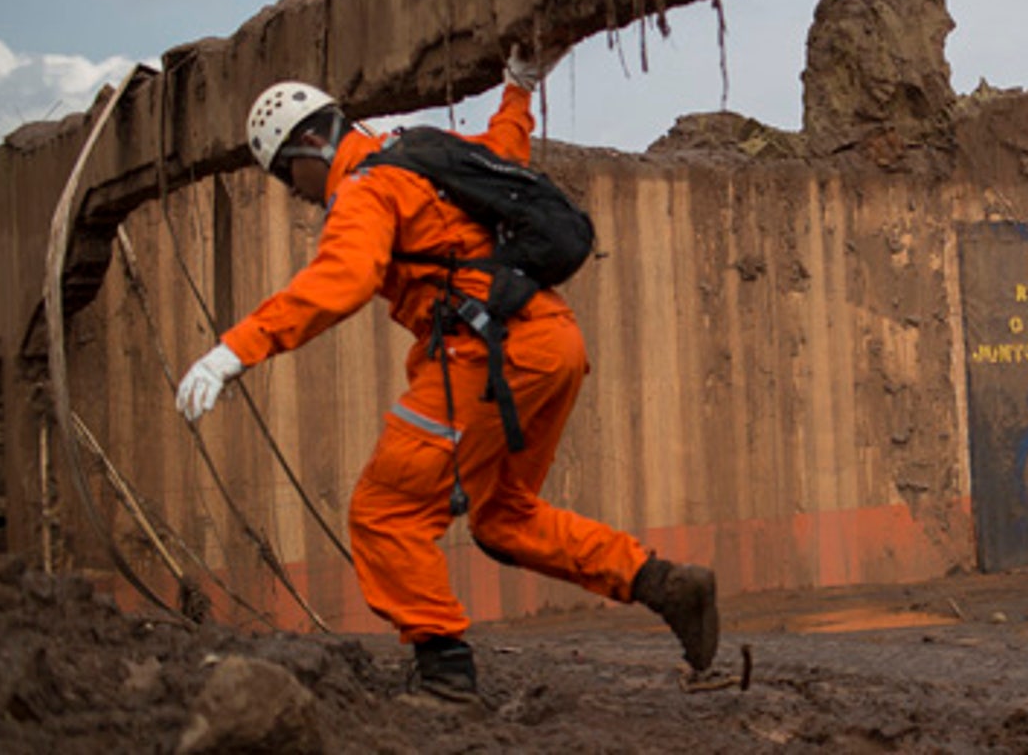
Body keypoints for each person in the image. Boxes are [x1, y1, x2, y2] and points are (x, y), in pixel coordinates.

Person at [174, 46, 718, 701]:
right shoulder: (421, 152)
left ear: (313, 141)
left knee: (386, 512)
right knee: (501, 517)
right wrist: (517, 91)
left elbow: (341, 282)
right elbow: (503, 160)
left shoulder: (365, 189)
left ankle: (445, 675)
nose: (295, 192)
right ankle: (664, 583)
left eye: (290, 174)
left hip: (488, 357)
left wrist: (234, 350)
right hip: (551, 343)